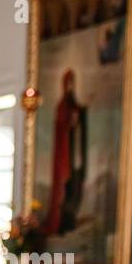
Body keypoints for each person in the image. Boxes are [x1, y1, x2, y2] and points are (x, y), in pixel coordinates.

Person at [44, 69, 87, 236]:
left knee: (74, 185)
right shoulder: (62, 105)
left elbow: (78, 115)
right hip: (65, 153)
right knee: (65, 186)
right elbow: (62, 125)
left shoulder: (73, 103)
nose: (70, 86)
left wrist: (81, 114)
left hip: (74, 150)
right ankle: (61, 221)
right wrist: (70, 123)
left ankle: (68, 220)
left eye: (72, 83)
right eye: (68, 83)